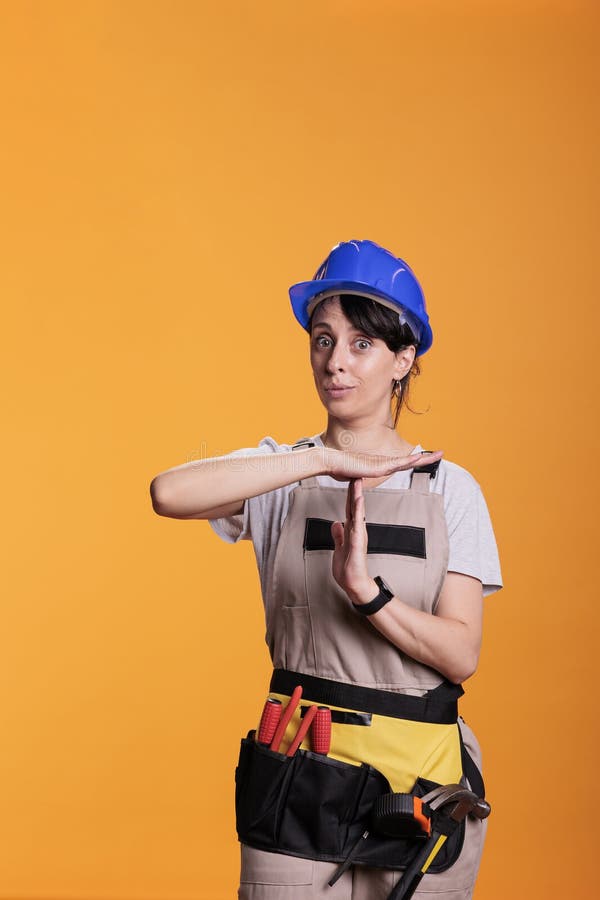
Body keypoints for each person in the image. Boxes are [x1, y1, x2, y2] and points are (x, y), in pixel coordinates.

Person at [150, 239, 503, 900]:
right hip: (298, 777)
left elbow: (461, 654)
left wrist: (367, 594)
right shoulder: (280, 473)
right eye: (322, 338)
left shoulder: (450, 489)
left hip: (418, 785)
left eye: (362, 344)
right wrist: (317, 460)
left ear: (404, 359)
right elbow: (167, 493)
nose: (336, 362)